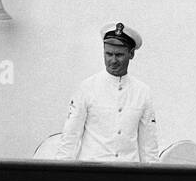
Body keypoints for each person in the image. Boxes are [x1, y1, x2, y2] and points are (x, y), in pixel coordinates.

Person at [55, 22, 160, 163]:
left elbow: (149, 145)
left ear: (131, 54)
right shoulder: (87, 88)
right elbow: (70, 136)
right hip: (93, 174)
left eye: (119, 55)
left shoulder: (142, 92)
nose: (113, 60)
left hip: (128, 175)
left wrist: (153, 180)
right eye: (108, 54)